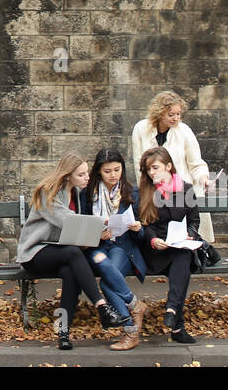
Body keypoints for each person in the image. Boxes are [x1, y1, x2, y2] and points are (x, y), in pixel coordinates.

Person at [16, 152, 132, 350]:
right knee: (73, 253)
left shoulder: (76, 193)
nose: (87, 177)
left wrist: (96, 237)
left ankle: (63, 333)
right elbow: (65, 220)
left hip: (59, 251)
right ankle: (102, 307)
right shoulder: (48, 191)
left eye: (87, 173)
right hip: (35, 252)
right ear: (67, 175)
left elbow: (74, 230)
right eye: (81, 174)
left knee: (71, 272)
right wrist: (103, 221)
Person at [79, 147, 149, 350]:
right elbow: (82, 227)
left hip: (122, 245)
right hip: (98, 245)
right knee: (101, 260)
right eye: (107, 171)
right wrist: (96, 234)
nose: (113, 175)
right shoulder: (88, 194)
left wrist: (136, 228)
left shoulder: (132, 192)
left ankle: (129, 331)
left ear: (122, 169)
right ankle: (134, 305)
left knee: (109, 283)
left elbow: (142, 235)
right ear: (99, 172)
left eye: (117, 170)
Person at [129, 90, 214, 242]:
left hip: (181, 193)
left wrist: (204, 179)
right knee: (157, 236)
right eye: (171, 114)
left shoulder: (184, 131)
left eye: (179, 114)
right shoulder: (141, 129)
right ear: (159, 113)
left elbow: (196, 163)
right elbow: (139, 166)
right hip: (154, 194)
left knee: (187, 238)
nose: (176, 118)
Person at [138, 146, 201, 344]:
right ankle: (176, 324)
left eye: (155, 167)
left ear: (169, 166)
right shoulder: (145, 192)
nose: (152, 173)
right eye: (149, 170)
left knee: (183, 256)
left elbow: (194, 221)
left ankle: (172, 311)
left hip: (180, 246)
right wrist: (154, 240)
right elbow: (143, 225)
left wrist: (190, 236)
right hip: (155, 250)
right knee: (181, 262)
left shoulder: (186, 189)